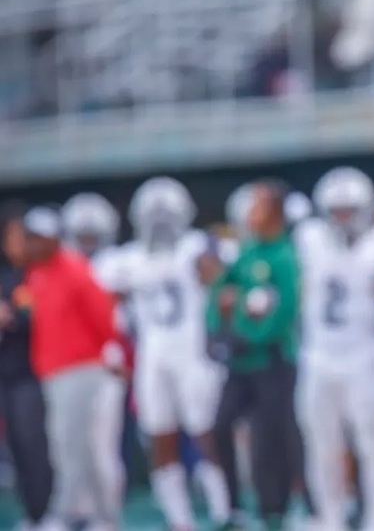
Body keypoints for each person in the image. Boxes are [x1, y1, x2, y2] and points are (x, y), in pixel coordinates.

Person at [103, 178, 231, 531]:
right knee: (160, 437)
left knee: (206, 432)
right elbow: (108, 303)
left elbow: (224, 275)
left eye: (166, 215)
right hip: (152, 356)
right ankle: (179, 519)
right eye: (153, 216)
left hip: (194, 353)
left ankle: (224, 510)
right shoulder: (125, 259)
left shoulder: (199, 247)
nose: (159, 224)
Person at [293, 168, 374, 531]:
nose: (342, 218)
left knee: (372, 445)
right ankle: (331, 517)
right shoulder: (310, 239)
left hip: (365, 354)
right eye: (336, 210)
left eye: (349, 209)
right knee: (322, 445)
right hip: (319, 356)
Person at [22, 205, 125, 530]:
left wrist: (109, 354)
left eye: (39, 238)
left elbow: (103, 317)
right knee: (65, 445)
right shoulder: (37, 275)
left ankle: (95, 516)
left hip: (82, 369)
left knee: (86, 445)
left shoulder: (75, 269)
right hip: (54, 373)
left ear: (54, 238)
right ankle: (80, 513)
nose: (33, 244)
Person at [208, 179, 300, 531]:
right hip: (240, 361)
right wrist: (219, 328)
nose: (250, 213)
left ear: (274, 212)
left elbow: (284, 311)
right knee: (219, 426)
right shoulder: (247, 252)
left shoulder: (283, 256)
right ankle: (232, 504)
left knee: (268, 438)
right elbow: (220, 291)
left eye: (257, 206)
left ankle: (273, 509)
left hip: (272, 361)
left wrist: (248, 333)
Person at [60, 192, 132, 525]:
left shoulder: (118, 263)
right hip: (69, 365)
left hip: (106, 363)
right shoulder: (62, 266)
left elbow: (119, 319)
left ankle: (107, 516)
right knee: (70, 444)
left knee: (103, 446)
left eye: (93, 236)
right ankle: (77, 510)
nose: (88, 243)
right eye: (82, 236)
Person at [0, 203, 53, 529]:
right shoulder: (6, 277)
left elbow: (40, 318)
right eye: (11, 236)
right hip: (6, 372)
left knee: (36, 443)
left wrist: (14, 319)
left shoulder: (39, 274)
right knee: (17, 445)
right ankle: (32, 513)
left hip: (35, 374)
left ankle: (47, 512)